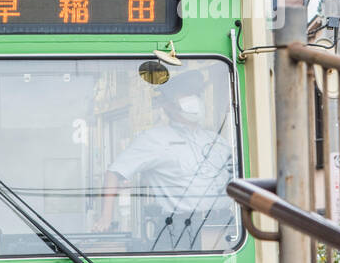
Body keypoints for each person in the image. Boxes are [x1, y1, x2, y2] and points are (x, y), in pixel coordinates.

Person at [94, 68, 235, 249]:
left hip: (224, 228)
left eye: (197, 94)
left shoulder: (215, 140)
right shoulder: (154, 139)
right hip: (182, 231)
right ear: (168, 104)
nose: (196, 99)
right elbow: (114, 172)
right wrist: (106, 218)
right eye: (188, 94)